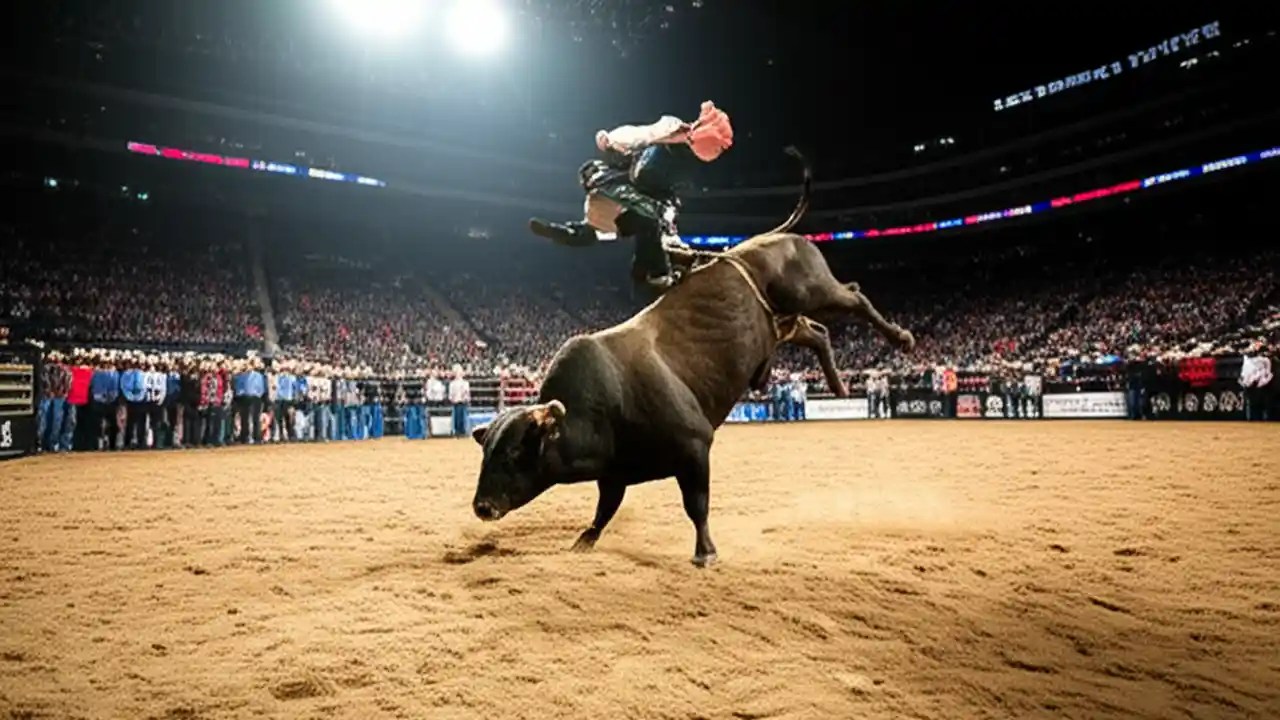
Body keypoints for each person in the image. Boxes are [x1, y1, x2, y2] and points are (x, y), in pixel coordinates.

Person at [527, 100, 734, 291]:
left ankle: (648, 269)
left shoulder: (680, 153)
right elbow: (642, 133)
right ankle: (654, 272)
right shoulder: (671, 130)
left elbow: (665, 204)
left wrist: (672, 237)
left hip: (639, 197)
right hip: (631, 184)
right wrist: (612, 139)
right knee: (636, 222)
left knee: (629, 226)